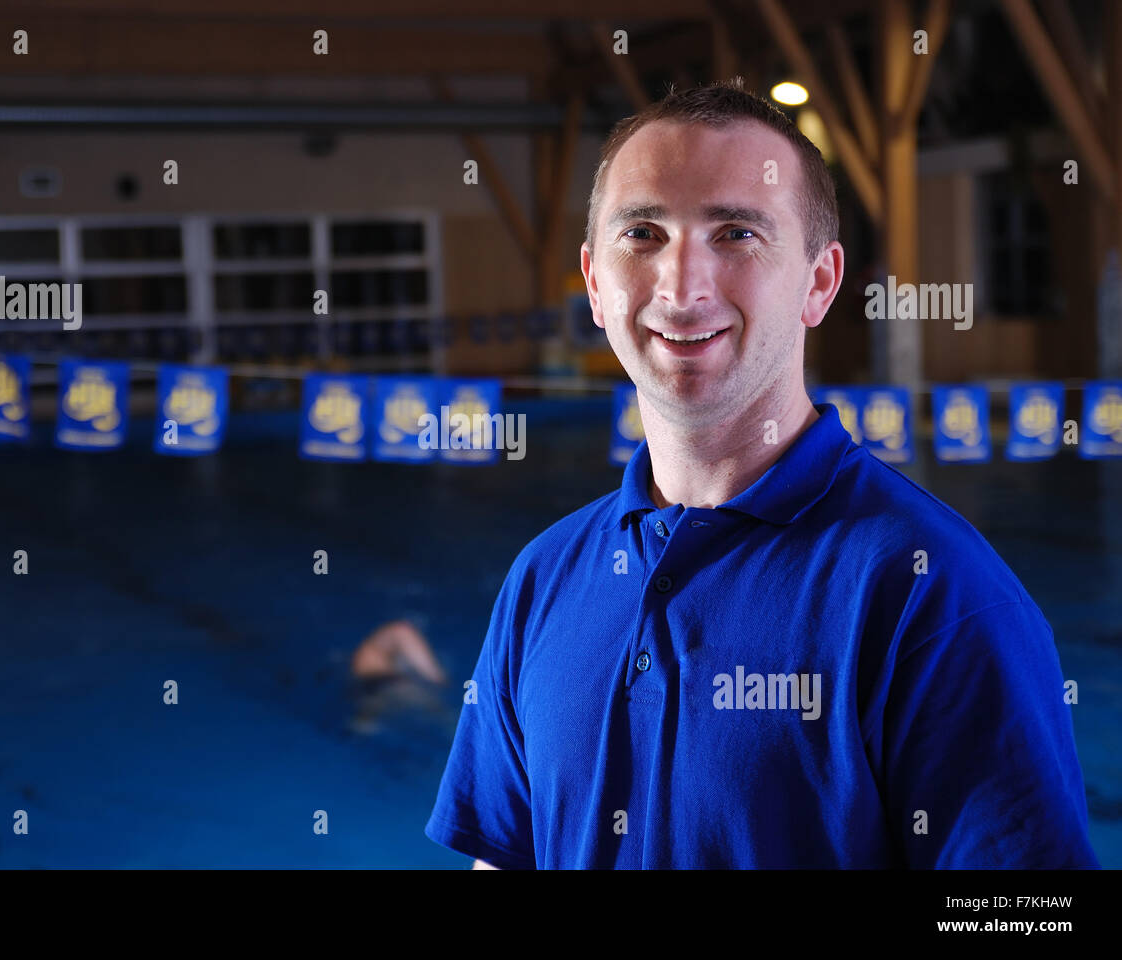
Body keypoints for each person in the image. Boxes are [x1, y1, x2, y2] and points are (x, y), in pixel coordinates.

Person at [425, 79, 1098, 869]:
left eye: (737, 233)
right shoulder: (543, 579)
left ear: (819, 281)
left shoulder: (930, 592)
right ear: (597, 286)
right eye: (642, 233)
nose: (682, 287)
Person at [348, 619, 447, 735]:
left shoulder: (372, 649)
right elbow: (401, 632)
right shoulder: (399, 631)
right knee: (442, 713)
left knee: (366, 720)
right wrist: (438, 677)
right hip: (384, 682)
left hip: (371, 684)